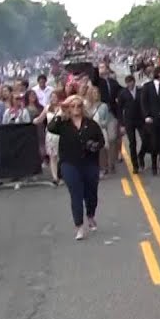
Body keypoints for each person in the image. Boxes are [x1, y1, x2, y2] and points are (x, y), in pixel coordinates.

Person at [48, 94, 107, 241]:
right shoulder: (63, 123)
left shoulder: (91, 123)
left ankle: (91, 214)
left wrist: (94, 146)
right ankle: (79, 226)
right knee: (76, 194)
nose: (76, 109)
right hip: (70, 163)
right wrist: (61, 110)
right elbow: (51, 128)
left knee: (91, 193)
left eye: (79, 106)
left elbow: (101, 141)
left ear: (83, 108)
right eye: (72, 106)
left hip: (89, 163)